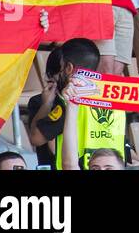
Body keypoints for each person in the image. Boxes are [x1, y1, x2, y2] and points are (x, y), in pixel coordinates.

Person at [26, 38, 125, 169]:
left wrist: (46, 105)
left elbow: (36, 138)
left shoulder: (67, 99)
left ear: (68, 68)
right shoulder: (115, 98)